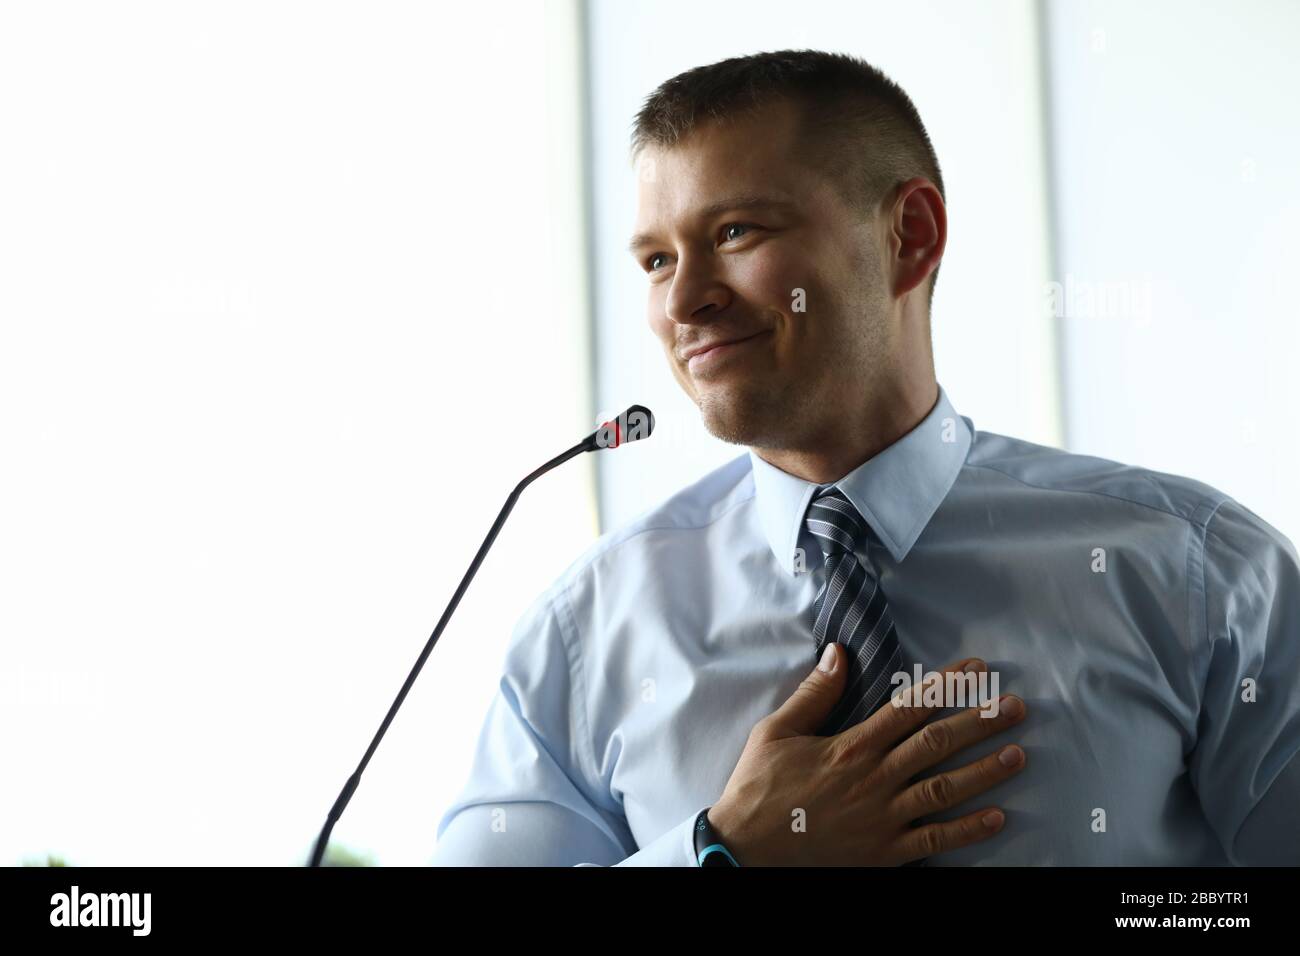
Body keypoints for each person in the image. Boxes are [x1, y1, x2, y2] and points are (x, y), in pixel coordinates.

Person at [431, 50, 1300, 866]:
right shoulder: (582, 635)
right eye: (658, 259)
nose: (685, 301)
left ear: (910, 236)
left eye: (734, 231)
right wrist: (726, 853)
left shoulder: (1202, 575)